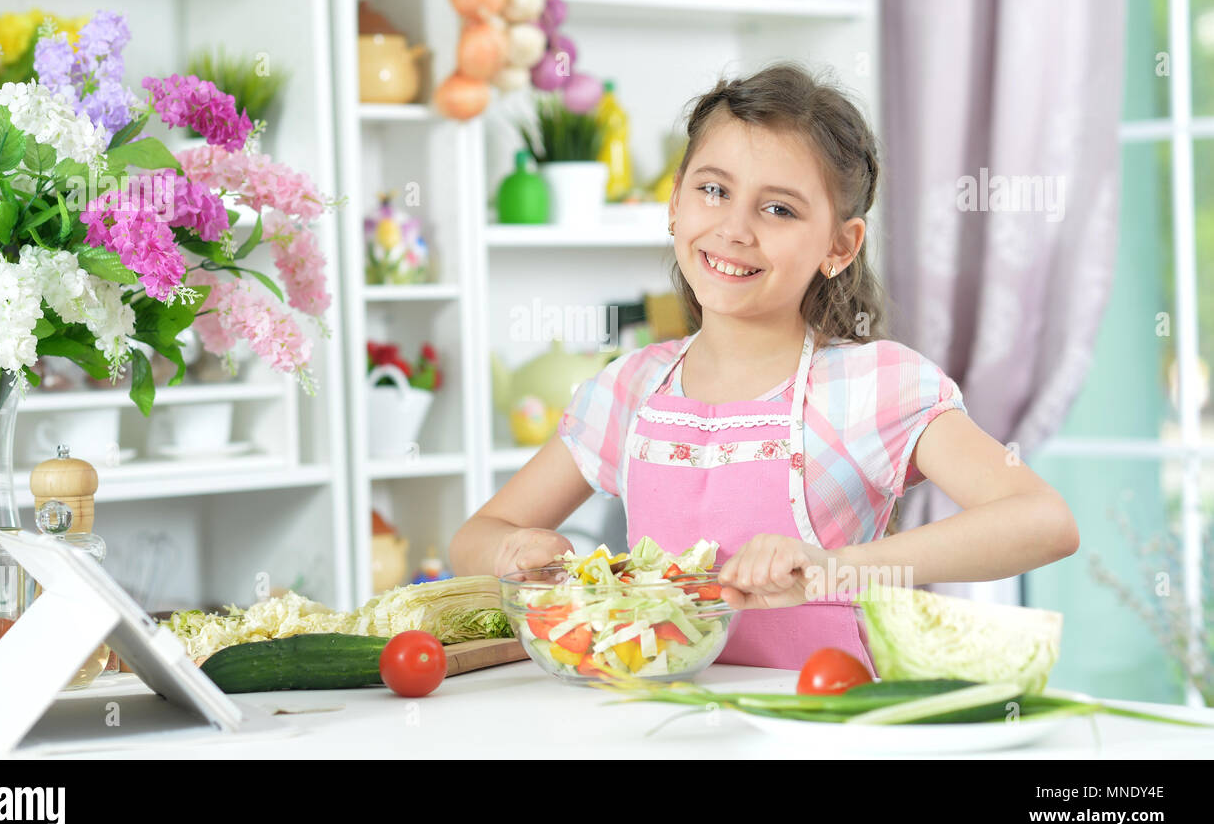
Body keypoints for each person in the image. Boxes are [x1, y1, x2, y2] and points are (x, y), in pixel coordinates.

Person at [450, 62, 1079, 670]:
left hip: (819, 728)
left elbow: (1042, 521)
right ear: (675, 203)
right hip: (660, 721)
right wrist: (512, 548)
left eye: (778, 209)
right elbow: (476, 535)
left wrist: (837, 569)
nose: (734, 228)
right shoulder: (631, 388)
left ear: (840, 245)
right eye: (713, 190)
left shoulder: (870, 387)